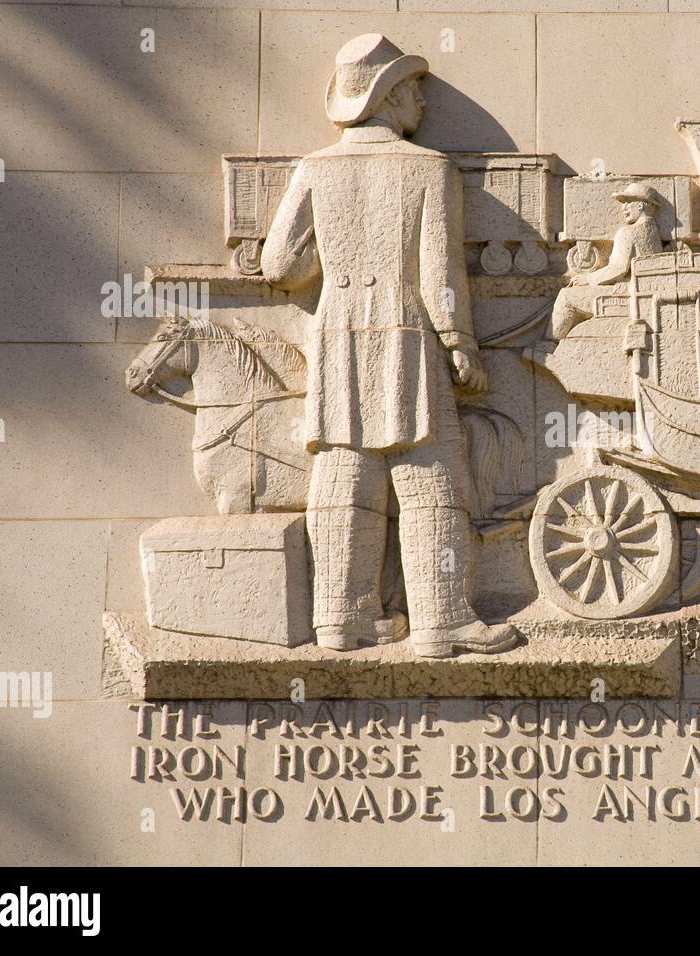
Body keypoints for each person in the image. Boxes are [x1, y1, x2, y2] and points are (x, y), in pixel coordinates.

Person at [261, 33, 517, 659]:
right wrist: (460, 342)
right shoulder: (428, 169)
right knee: (431, 473)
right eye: (414, 91)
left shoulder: (315, 169)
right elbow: (439, 272)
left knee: (345, 473)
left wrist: (329, 262)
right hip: (405, 330)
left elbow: (277, 264)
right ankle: (440, 620)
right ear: (389, 96)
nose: (423, 104)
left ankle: (341, 621)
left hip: (335, 331)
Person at [547, 183, 664, 341]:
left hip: (626, 292)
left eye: (627, 202)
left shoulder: (628, 232)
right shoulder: (654, 232)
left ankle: (548, 345)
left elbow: (618, 268)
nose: (624, 208)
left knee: (566, 297)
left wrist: (586, 279)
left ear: (641, 204)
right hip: (641, 290)